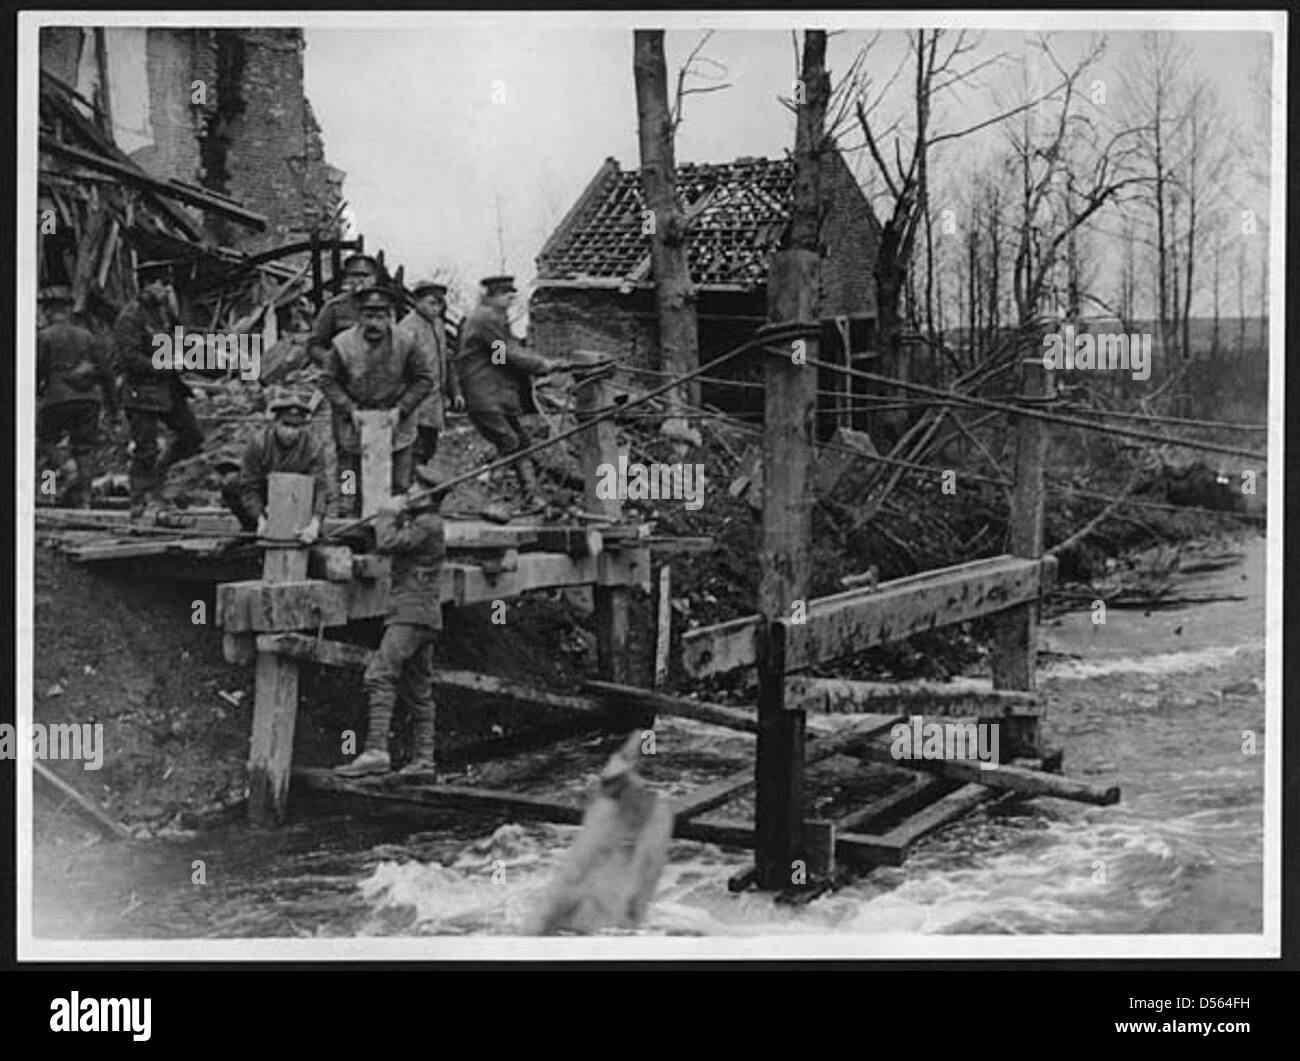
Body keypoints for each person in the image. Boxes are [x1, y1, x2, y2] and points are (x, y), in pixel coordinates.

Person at [335, 475, 447, 778]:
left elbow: (386, 543)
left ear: (428, 496)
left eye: (415, 489)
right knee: (419, 689)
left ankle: (376, 751)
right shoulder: (423, 522)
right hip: (425, 615)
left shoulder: (427, 524)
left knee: (379, 674)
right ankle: (424, 760)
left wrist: (386, 512)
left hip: (409, 615)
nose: (408, 491)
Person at [318, 284, 436, 511]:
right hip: (355, 418)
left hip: (396, 418)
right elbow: (327, 380)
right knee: (349, 475)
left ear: (390, 316)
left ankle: (394, 529)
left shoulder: (406, 342)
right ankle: (347, 513)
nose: (374, 323)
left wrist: (401, 409)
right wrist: (348, 408)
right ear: (359, 316)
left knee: (399, 481)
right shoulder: (342, 344)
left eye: (381, 316)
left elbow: (424, 379)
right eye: (368, 315)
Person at [452, 275, 562, 508]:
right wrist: (543, 365)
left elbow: (503, 354)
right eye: (506, 295)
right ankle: (488, 498)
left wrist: (536, 362)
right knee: (509, 442)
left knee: (521, 442)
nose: (511, 299)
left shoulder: (494, 319)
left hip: (497, 396)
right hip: (484, 396)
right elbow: (505, 354)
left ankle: (531, 496)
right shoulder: (486, 319)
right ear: (492, 296)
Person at [114, 260, 204, 517]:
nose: (166, 289)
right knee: (145, 449)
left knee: (192, 436)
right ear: (147, 285)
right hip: (141, 392)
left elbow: (176, 343)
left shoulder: (163, 313)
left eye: (168, 284)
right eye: (162, 284)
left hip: (168, 389)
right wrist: (165, 365)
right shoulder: (129, 317)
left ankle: (158, 476)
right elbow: (130, 359)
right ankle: (139, 502)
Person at [36, 285, 119, 507]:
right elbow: (106, 373)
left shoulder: (44, 336)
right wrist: (113, 408)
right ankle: (85, 499)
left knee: (47, 445)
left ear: (47, 311)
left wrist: (35, 395)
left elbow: (37, 372)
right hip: (89, 400)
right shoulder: (87, 336)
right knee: (85, 448)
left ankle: (50, 491)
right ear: (68, 310)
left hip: (56, 399)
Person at [220, 390, 329, 542]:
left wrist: (315, 522)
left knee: (344, 478)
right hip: (266, 498)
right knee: (231, 482)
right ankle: (251, 527)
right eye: (286, 425)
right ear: (276, 423)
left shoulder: (313, 446)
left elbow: (321, 488)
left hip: (297, 499)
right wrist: (259, 517)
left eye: (296, 427)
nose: (290, 432)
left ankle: (313, 526)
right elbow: (249, 485)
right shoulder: (259, 443)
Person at [397, 279, 463, 468]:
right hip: (415, 404)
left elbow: (447, 361)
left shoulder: (438, 325)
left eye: (440, 304)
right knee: (414, 450)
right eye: (432, 303)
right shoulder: (407, 328)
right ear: (417, 302)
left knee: (429, 448)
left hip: (435, 402)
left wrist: (455, 392)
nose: (437, 309)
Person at [307, 253, 380, 368]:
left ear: (374, 279)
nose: (361, 280)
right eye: (355, 275)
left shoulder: (384, 308)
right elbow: (315, 345)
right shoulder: (334, 307)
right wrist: (328, 359)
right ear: (348, 279)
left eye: (366, 276)